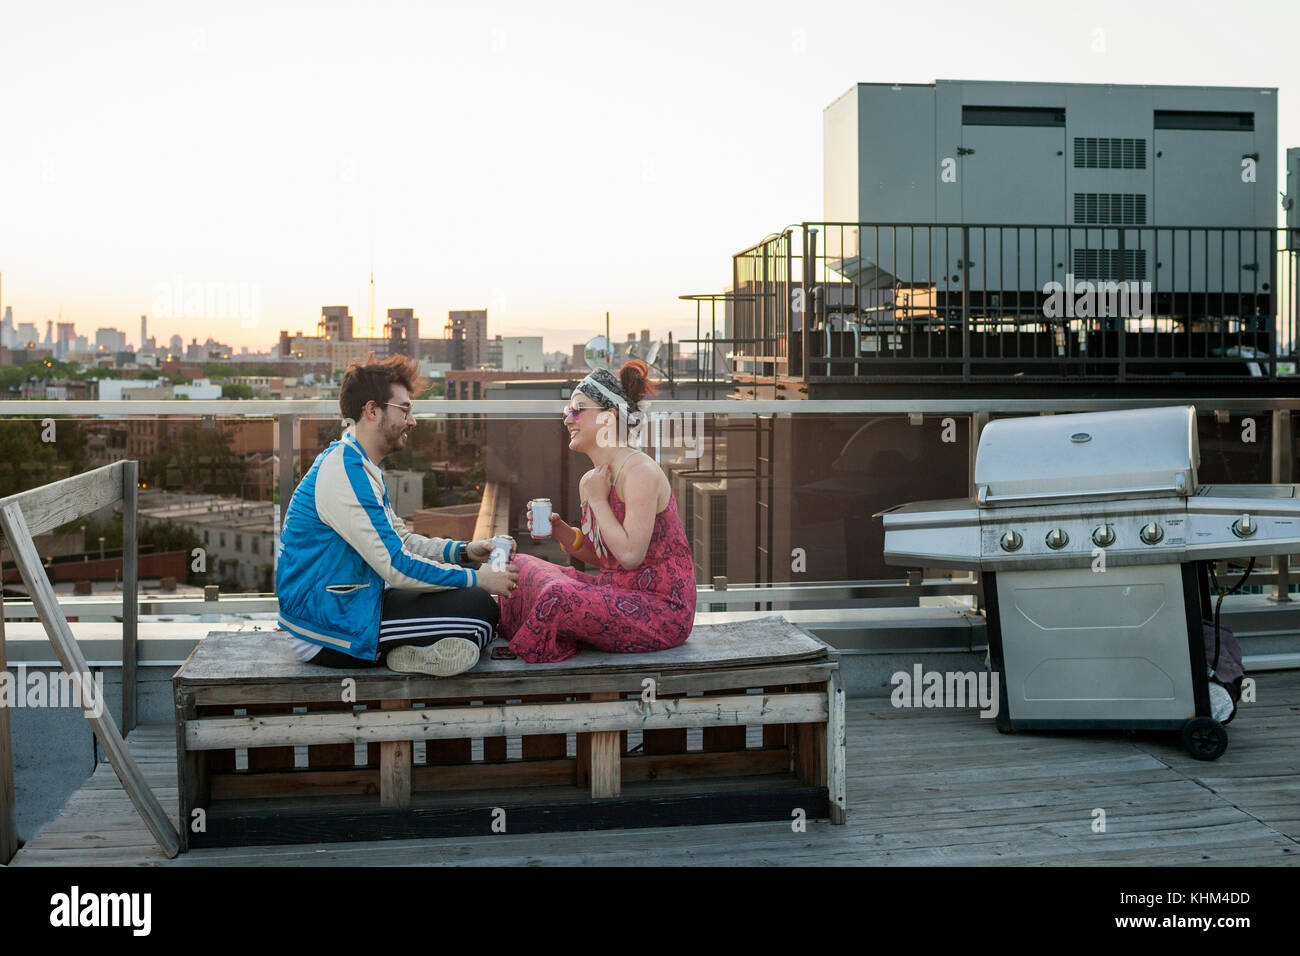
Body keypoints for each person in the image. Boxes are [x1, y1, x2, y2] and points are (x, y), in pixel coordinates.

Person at [275, 353, 519, 676]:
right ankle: (407, 651)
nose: (412, 421)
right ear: (372, 410)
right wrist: (478, 577)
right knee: (481, 610)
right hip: (330, 627)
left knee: (476, 603)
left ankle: (414, 651)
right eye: (404, 409)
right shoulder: (344, 472)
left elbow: (401, 540)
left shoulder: (359, 465)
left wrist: (463, 552)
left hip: (354, 604)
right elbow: (395, 565)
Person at [498, 360, 695, 662]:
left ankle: (535, 641)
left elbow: (630, 556)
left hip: (660, 610)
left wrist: (599, 501)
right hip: (614, 591)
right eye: (566, 411)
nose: (567, 419)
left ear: (608, 417)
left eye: (577, 409)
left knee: (558, 596)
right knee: (520, 566)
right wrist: (562, 532)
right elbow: (607, 557)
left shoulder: (639, 471)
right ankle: (487, 629)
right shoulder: (591, 481)